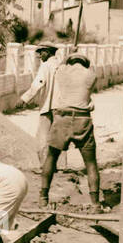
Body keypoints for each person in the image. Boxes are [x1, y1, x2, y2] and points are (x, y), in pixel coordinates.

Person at [41, 50, 102, 209]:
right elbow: (91, 70)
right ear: (85, 63)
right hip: (83, 119)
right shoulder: (91, 76)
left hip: (62, 118)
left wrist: (68, 55)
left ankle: (43, 199)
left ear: (69, 62)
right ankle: (95, 204)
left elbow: (60, 64)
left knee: (51, 158)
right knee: (91, 164)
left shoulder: (61, 73)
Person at [16, 42, 60, 155]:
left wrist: (24, 99)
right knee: (58, 137)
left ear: (48, 52)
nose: (39, 56)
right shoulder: (60, 65)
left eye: (41, 53)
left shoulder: (46, 66)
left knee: (43, 136)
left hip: (48, 106)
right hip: (60, 106)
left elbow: (38, 83)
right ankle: (58, 164)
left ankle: (43, 164)